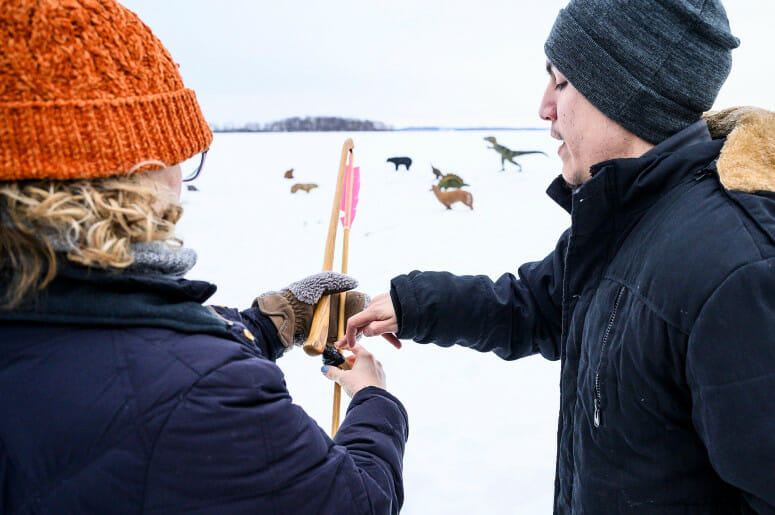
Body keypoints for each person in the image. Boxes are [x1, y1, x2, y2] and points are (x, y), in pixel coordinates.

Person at [339, 0, 775, 512]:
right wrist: (414, 304)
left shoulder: (735, 272)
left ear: (625, 94)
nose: (544, 107)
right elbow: (536, 304)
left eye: (562, 82)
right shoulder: (631, 216)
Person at [0, 1, 407, 513]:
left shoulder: (31, 303)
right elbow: (358, 503)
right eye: (181, 157)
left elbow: (118, 338)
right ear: (135, 172)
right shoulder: (208, 394)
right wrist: (375, 401)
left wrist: (275, 319)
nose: (181, 182)